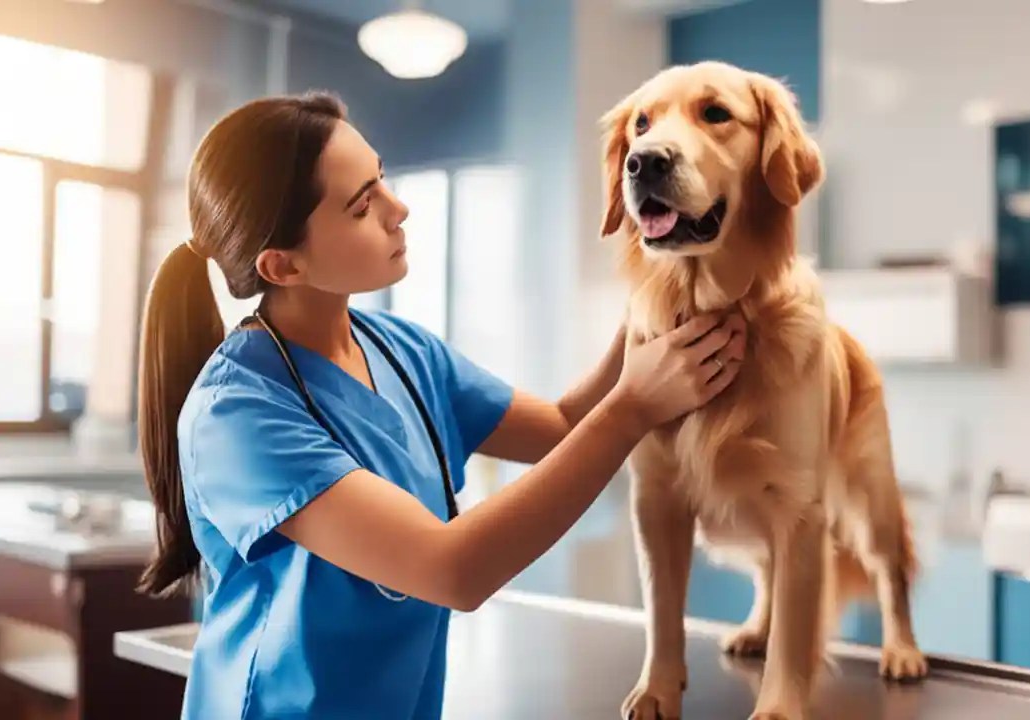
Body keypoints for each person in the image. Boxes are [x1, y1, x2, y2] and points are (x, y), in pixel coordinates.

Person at [137, 91, 746, 720]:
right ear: (283, 265)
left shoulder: (401, 350)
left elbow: (563, 428)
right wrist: (632, 409)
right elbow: (452, 569)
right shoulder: (236, 415)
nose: (399, 210)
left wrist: (649, 305)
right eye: (362, 205)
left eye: (382, 179)